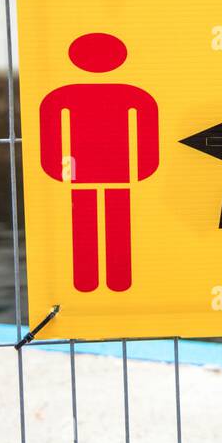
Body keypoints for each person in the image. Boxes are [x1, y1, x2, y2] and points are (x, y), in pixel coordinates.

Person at [39, 33, 158, 293]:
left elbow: (50, 139)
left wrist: (58, 170)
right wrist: (142, 169)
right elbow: (148, 136)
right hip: (119, 172)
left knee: (86, 223)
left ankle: (89, 282)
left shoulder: (62, 95)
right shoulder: (133, 94)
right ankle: (115, 281)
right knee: (114, 223)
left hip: (84, 172)